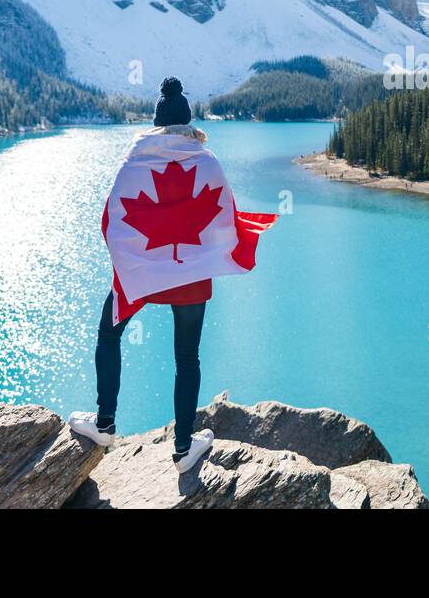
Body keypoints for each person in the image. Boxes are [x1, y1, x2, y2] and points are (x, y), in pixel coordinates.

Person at [68, 77, 276, 474]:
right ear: (188, 123)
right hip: (192, 274)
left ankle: (105, 422)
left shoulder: (135, 160)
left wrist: (129, 260)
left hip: (143, 270)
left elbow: (112, 218)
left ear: (157, 123)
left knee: (109, 334)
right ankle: (183, 448)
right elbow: (225, 216)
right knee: (187, 357)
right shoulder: (207, 161)